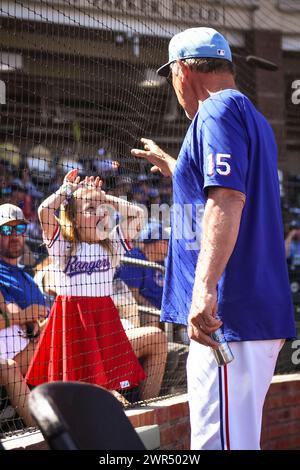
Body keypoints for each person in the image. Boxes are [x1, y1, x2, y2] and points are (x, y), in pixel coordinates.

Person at [131, 27, 296, 450]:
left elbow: (226, 197)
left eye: (171, 76)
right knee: (232, 440)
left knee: (218, 445)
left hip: (226, 315)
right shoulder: (246, 114)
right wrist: (175, 165)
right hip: (240, 313)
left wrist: (204, 291)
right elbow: (224, 186)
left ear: (183, 70)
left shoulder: (216, 110)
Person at [25, 169, 146, 396]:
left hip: (103, 315)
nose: (101, 213)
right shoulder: (64, 244)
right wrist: (67, 190)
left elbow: (138, 214)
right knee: (74, 387)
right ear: (75, 220)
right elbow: (44, 211)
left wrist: (102, 198)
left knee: (105, 382)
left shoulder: (112, 244)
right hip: (72, 318)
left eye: (103, 209)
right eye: (90, 210)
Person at [0, 203, 48, 426]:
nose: (14, 236)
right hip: (14, 357)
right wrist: (24, 316)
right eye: (7, 230)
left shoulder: (27, 278)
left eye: (19, 230)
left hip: (33, 348)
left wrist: (35, 322)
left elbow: (39, 317)